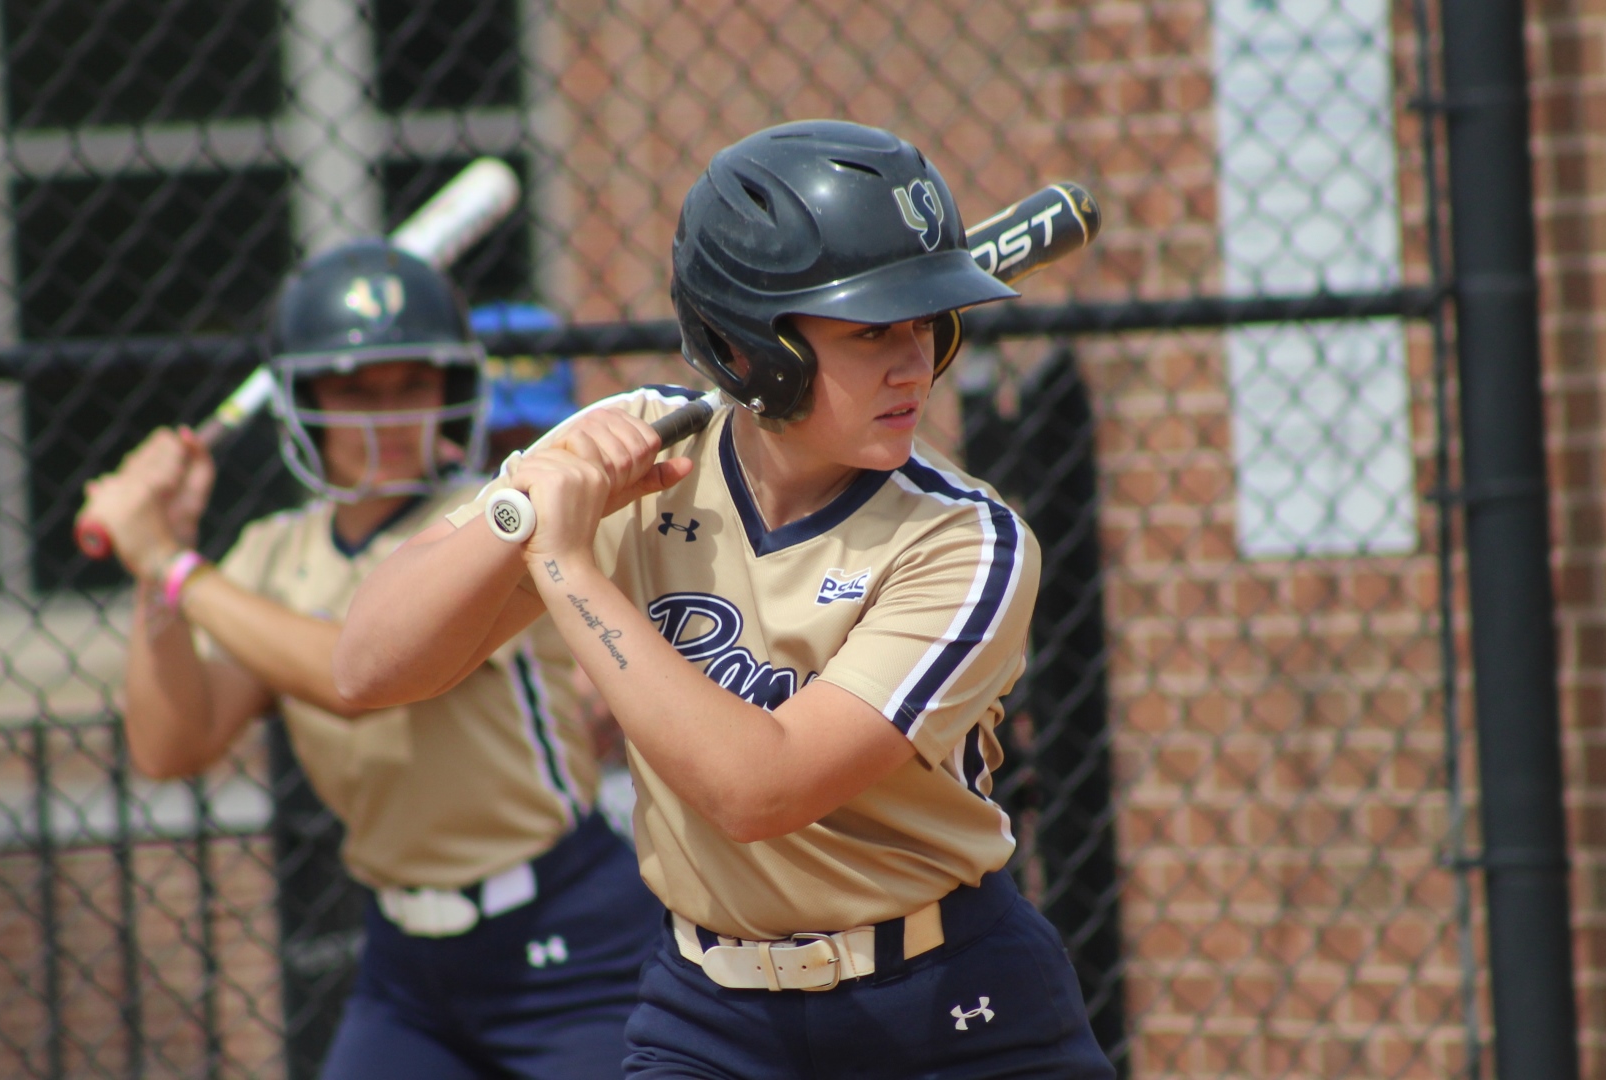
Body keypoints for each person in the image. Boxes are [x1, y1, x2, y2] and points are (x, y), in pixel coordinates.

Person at [333, 121, 1114, 1078]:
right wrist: (519, 510)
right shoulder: (640, 455)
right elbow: (368, 664)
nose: (916, 364)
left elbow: (760, 790)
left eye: (927, 322)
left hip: (950, 1010)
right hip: (713, 1020)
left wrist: (571, 567)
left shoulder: (964, 541)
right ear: (753, 349)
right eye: (873, 331)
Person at [79, 239, 660, 1080]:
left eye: (410, 385)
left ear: (451, 391)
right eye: (353, 390)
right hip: (404, 966)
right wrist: (153, 568)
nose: (385, 416)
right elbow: (173, 746)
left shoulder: (491, 519)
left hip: (564, 937)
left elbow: (356, 677)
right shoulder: (273, 554)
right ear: (304, 400)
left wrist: (176, 567)